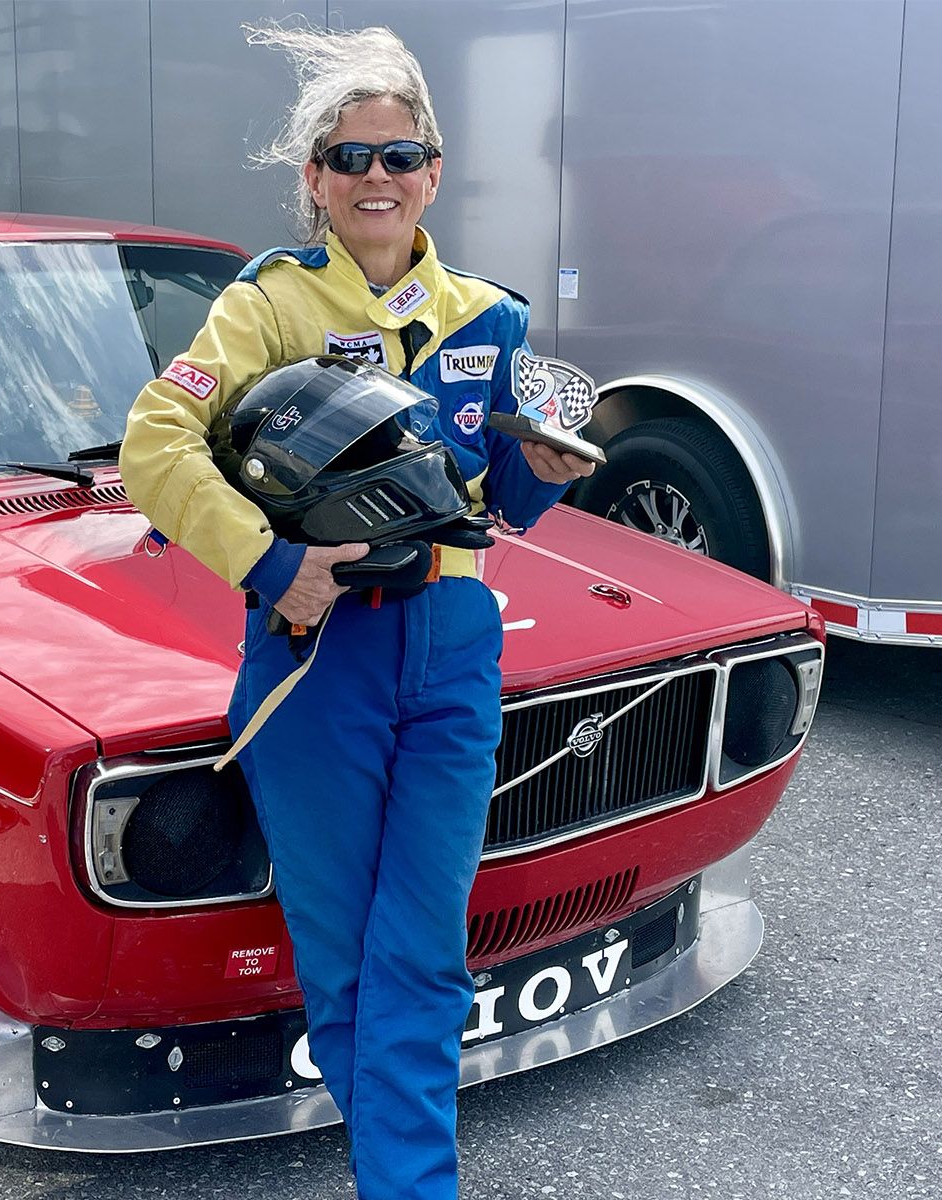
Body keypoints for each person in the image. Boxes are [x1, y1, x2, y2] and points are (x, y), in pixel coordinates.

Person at [119, 24, 595, 1199]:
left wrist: (547, 463)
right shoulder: (267, 307)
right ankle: (402, 1172)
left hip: (452, 650)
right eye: (350, 158)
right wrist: (274, 566)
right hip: (313, 656)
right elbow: (153, 445)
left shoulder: (494, 316)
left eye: (401, 156)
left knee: (424, 950)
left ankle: (404, 1182)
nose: (376, 178)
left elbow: (506, 507)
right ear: (314, 182)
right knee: (341, 961)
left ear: (434, 172)